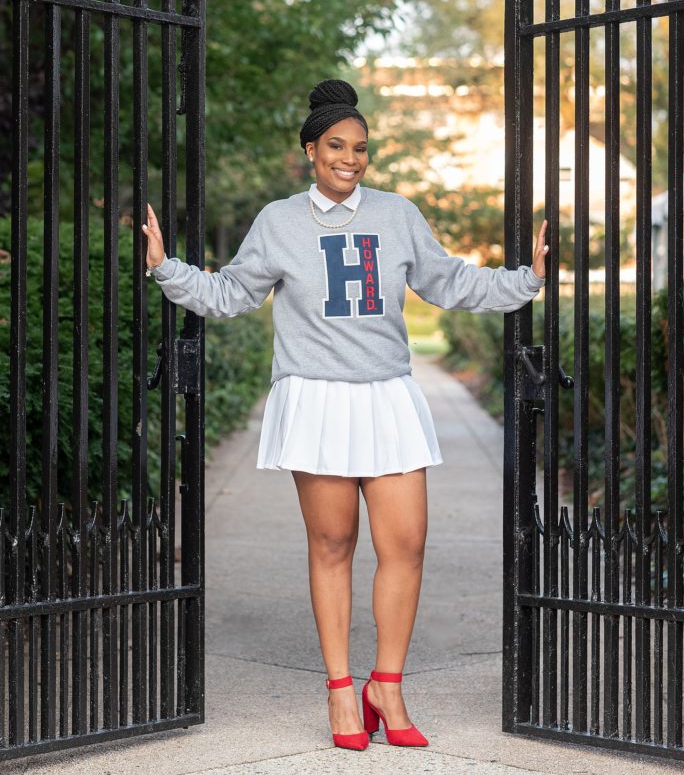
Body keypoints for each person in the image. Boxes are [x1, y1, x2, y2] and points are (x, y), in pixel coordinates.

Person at [142, 78, 549, 751]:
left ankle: (386, 684)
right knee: (333, 546)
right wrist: (167, 269)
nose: (350, 159)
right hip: (318, 399)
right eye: (336, 145)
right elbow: (231, 293)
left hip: (386, 395)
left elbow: (448, 280)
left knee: (407, 543)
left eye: (360, 148)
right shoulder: (278, 222)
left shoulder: (397, 214)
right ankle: (340, 689)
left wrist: (523, 280)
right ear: (310, 150)